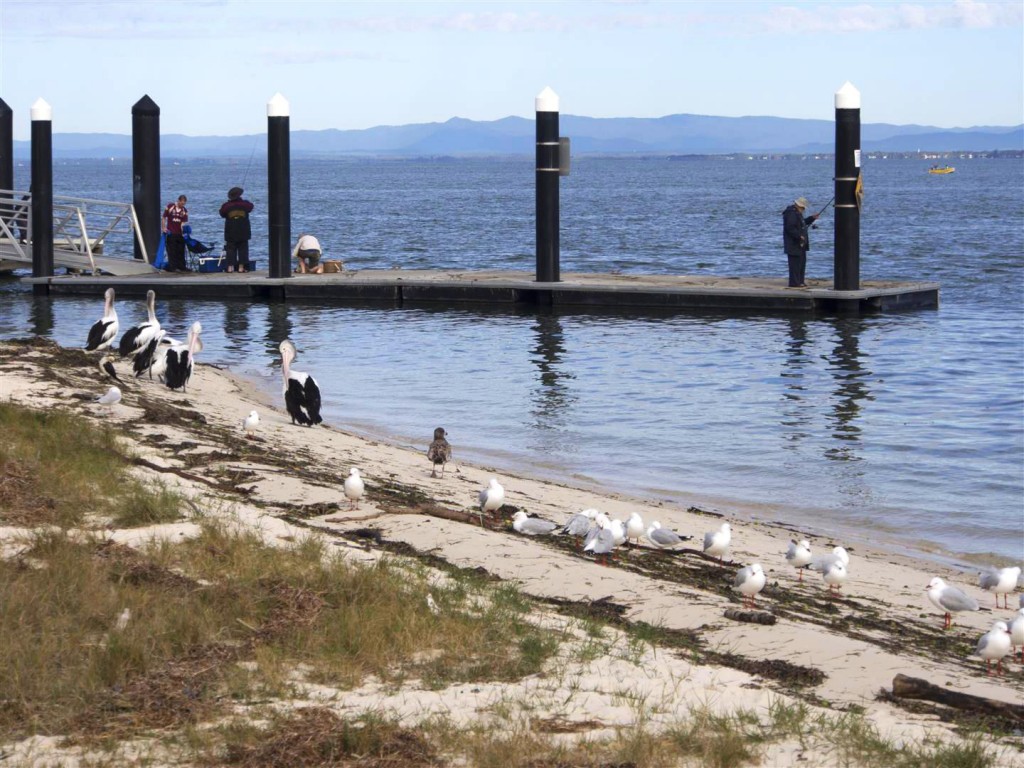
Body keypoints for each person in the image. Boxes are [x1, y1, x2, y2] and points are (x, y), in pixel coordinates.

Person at [782, 196, 819, 288]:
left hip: (801, 244)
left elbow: (802, 223)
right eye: (803, 207)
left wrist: (811, 218)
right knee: (795, 264)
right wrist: (799, 236)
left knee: (801, 263)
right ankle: (794, 283)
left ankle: (800, 281)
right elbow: (790, 228)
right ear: (798, 206)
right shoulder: (791, 213)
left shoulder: (797, 213)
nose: (803, 209)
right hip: (794, 244)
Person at [219, 187, 254, 273]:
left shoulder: (226, 206)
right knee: (243, 249)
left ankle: (230, 268)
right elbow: (251, 207)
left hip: (230, 230)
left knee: (230, 249)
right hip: (243, 230)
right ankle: (241, 268)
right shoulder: (245, 204)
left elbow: (222, 213)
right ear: (239, 195)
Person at [161, 195, 189, 272]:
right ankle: (172, 267)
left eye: (184, 204)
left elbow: (183, 223)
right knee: (172, 251)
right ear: (178, 201)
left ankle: (182, 267)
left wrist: (184, 233)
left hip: (180, 234)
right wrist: (163, 227)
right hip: (171, 233)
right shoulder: (170, 206)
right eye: (181, 203)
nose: (182, 205)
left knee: (181, 251)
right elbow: (164, 217)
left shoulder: (184, 211)